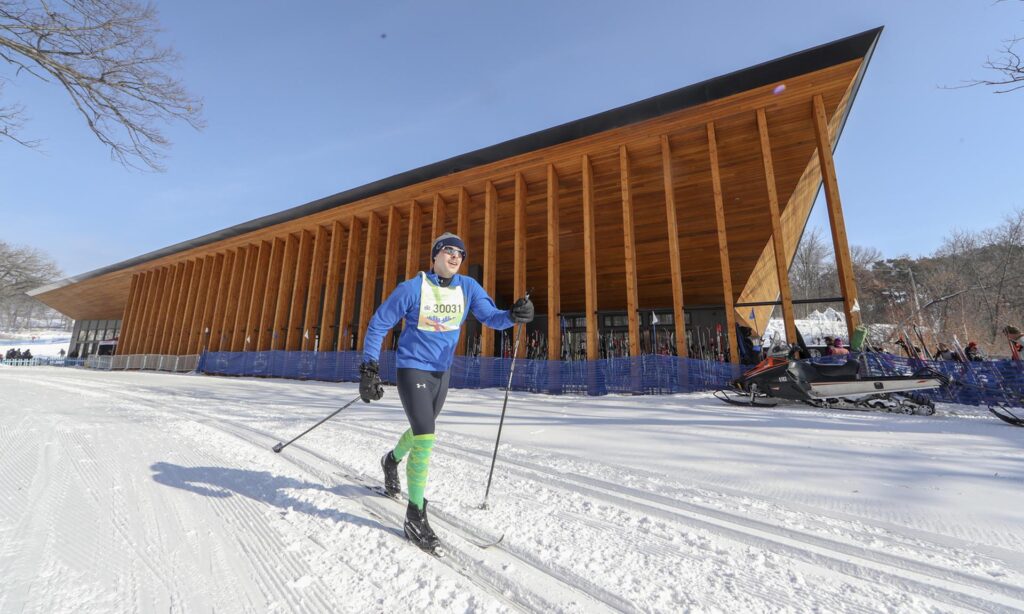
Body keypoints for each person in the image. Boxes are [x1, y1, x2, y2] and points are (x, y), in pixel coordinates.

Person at [359, 232, 533, 554]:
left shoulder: (467, 287)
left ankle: (391, 460)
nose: (455, 257)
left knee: (420, 430)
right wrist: (369, 367)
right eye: (449, 251)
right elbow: (378, 323)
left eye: (460, 254)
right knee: (426, 435)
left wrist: (513, 315)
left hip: (442, 373)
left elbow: (491, 317)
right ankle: (415, 514)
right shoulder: (413, 288)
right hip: (412, 368)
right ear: (436, 255)